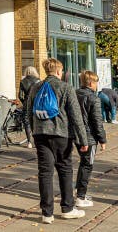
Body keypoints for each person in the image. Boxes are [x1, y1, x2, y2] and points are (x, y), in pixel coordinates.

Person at [25, 58, 89, 224]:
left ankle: (47, 213)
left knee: (45, 172)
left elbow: (29, 111)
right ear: (59, 71)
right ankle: (67, 208)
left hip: (41, 135)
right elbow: (76, 116)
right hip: (61, 135)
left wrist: (34, 131)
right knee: (65, 169)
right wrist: (83, 140)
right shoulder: (65, 87)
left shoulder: (35, 87)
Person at [74, 71, 107, 208]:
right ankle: (81, 197)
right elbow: (97, 121)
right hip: (89, 137)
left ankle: (79, 192)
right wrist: (103, 139)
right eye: (96, 82)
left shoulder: (75, 94)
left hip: (76, 135)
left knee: (83, 163)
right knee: (87, 165)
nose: (97, 84)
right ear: (91, 83)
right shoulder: (94, 98)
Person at [16, 65, 41, 148]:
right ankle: (37, 142)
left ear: (26, 72)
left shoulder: (23, 81)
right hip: (37, 103)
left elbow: (20, 95)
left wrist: (24, 102)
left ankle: (29, 142)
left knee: (27, 123)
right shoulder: (38, 81)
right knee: (36, 122)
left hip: (27, 103)